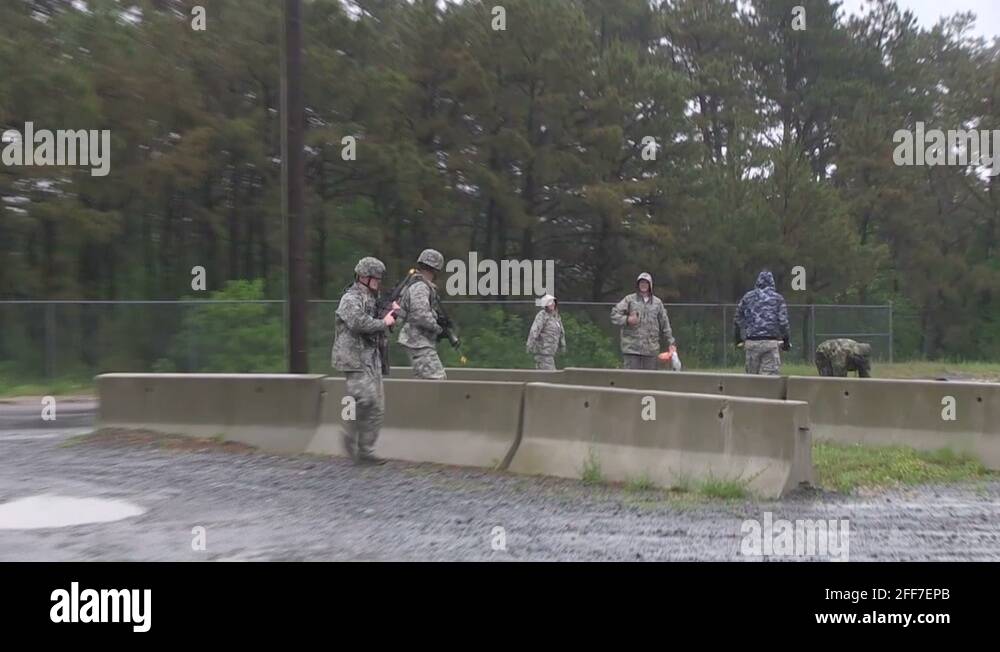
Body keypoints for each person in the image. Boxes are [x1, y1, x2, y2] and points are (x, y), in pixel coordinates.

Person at [332, 256, 398, 465]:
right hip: (353, 356)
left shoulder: (373, 299)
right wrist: (383, 322)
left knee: (377, 406)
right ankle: (347, 428)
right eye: (375, 278)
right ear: (364, 277)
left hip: (372, 357)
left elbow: (385, 321)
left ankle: (366, 451)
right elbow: (358, 322)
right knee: (363, 398)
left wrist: (394, 312)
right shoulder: (350, 298)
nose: (378, 282)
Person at [397, 248, 448, 379]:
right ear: (436, 269)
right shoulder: (421, 286)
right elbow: (420, 315)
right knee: (436, 378)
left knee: (424, 380)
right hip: (417, 341)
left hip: (418, 340)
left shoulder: (418, 284)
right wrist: (438, 329)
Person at [610, 272, 676, 370]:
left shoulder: (657, 303)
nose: (644, 285)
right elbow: (614, 314)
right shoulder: (629, 300)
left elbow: (665, 323)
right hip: (632, 349)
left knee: (649, 382)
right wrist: (627, 319)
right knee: (631, 380)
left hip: (651, 349)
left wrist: (671, 342)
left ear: (650, 285)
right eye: (641, 283)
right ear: (638, 285)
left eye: (646, 283)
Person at [733, 270, 790, 375]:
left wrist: (738, 339)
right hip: (770, 343)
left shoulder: (748, 297)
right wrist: (786, 341)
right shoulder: (778, 298)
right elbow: (783, 322)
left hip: (751, 343)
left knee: (752, 382)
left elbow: (737, 319)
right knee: (768, 383)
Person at [526, 294, 566, 370]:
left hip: (551, 353)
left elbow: (561, 333)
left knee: (546, 377)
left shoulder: (556, 317)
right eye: (550, 302)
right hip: (543, 353)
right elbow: (534, 331)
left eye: (553, 302)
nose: (553, 304)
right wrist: (529, 345)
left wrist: (562, 346)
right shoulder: (542, 316)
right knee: (550, 376)